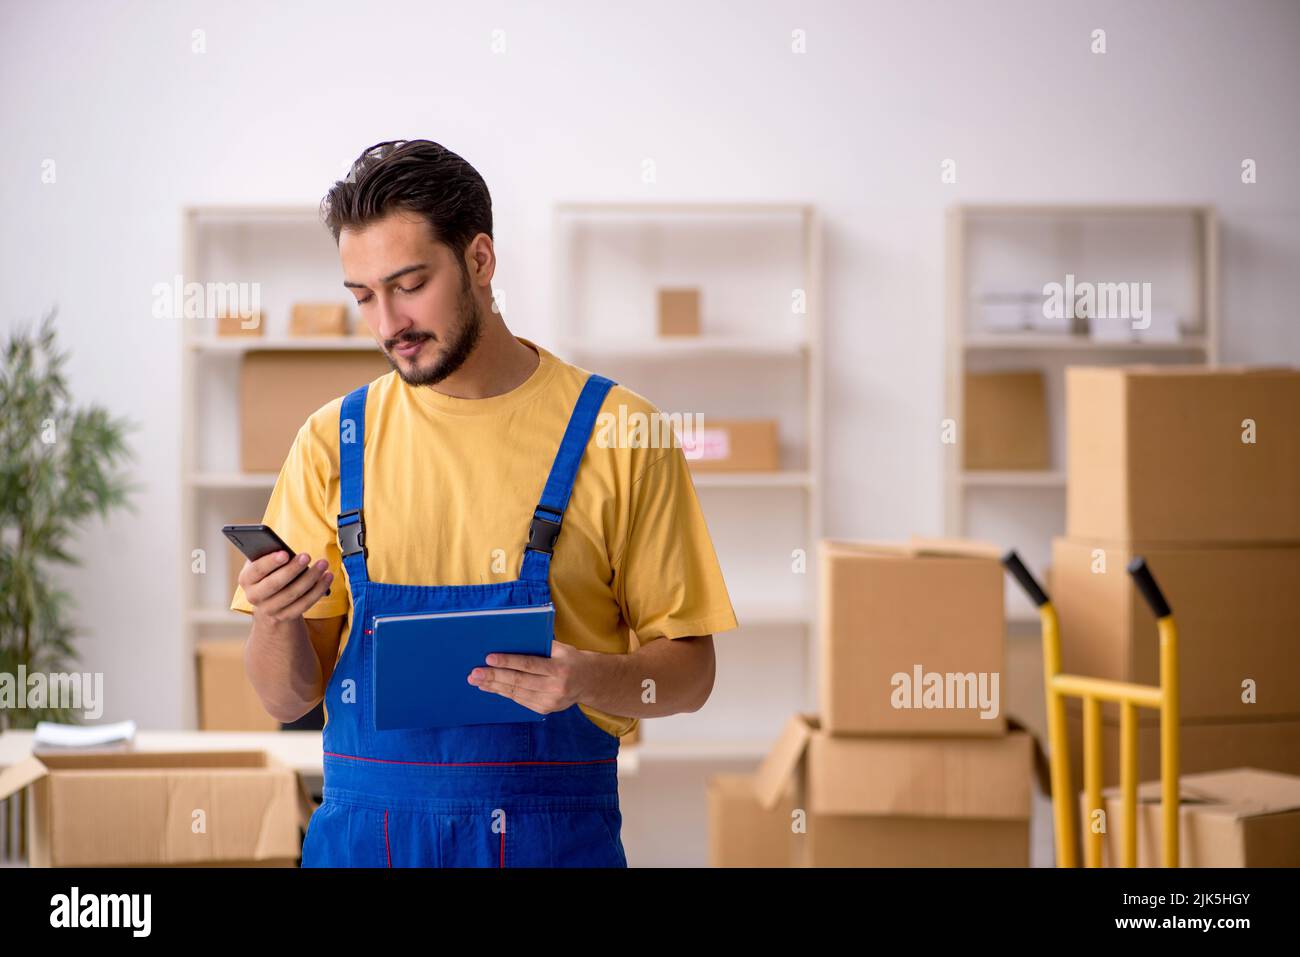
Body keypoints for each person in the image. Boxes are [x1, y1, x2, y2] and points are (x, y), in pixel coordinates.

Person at [230, 139, 737, 867]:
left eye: (409, 284)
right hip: (363, 844)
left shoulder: (618, 433)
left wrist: (586, 677)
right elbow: (285, 699)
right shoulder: (332, 441)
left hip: (551, 842)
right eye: (363, 296)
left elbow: (691, 675)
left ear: (479, 260)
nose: (387, 324)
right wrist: (275, 621)